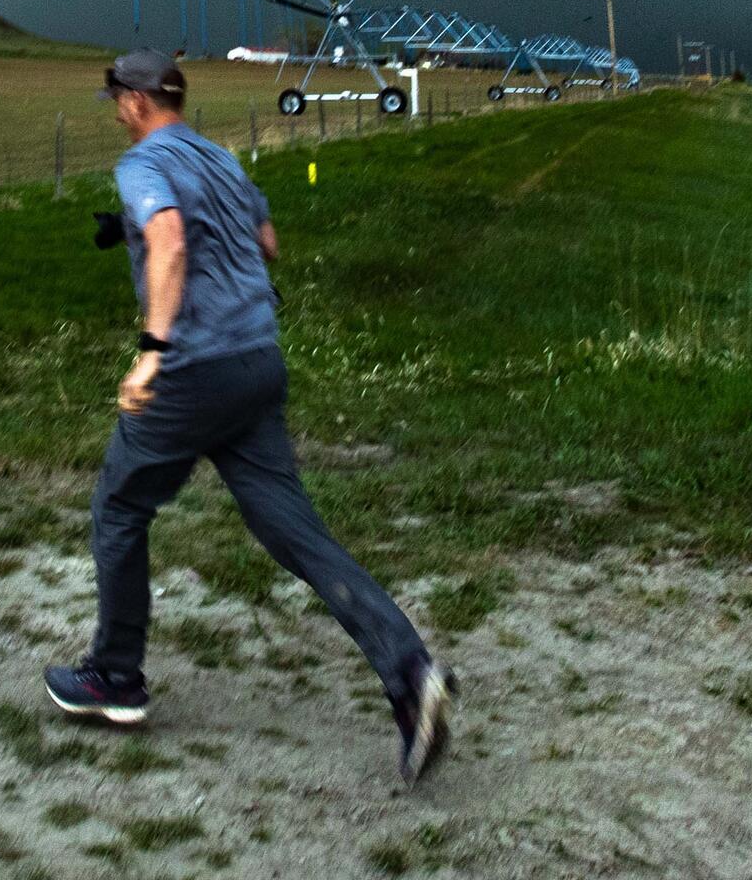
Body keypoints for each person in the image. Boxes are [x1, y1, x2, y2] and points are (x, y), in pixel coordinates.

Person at [42, 47, 455, 786]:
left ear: (136, 101)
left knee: (120, 505)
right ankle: (410, 670)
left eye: (116, 100)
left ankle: (115, 677)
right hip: (257, 362)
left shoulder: (143, 164)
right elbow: (265, 242)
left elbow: (168, 238)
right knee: (292, 530)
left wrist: (151, 349)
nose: (114, 111)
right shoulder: (222, 159)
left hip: (193, 371)